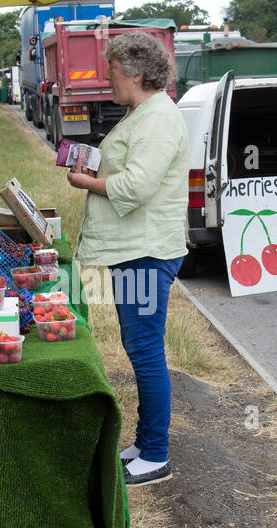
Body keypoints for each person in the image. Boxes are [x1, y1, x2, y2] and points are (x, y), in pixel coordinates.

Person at [68, 32, 188, 487]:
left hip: (146, 251)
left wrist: (87, 184)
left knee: (145, 351)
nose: (106, 77)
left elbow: (136, 187)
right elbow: (128, 172)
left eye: (112, 70)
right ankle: (145, 442)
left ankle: (156, 454)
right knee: (140, 348)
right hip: (134, 249)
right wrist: (93, 169)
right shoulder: (144, 113)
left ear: (135, 72)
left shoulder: (158, 117)